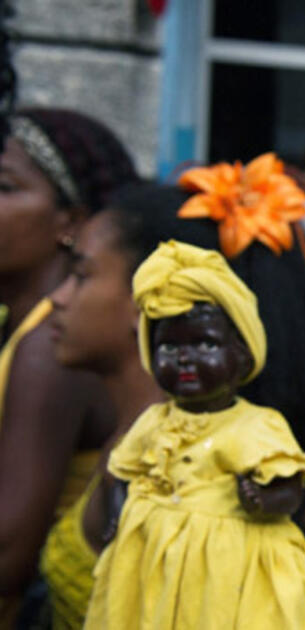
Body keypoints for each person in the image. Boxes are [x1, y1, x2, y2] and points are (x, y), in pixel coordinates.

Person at [40, 168, 305, 628]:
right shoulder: (145, 441)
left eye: (80, 274)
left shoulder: (240, 441)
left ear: (148, 306)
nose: (57, 297)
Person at [0, 108, 137, 622]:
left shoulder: (51, 345)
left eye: (6, 187)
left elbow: (9, 553)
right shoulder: (22, 325)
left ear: (70, 221)